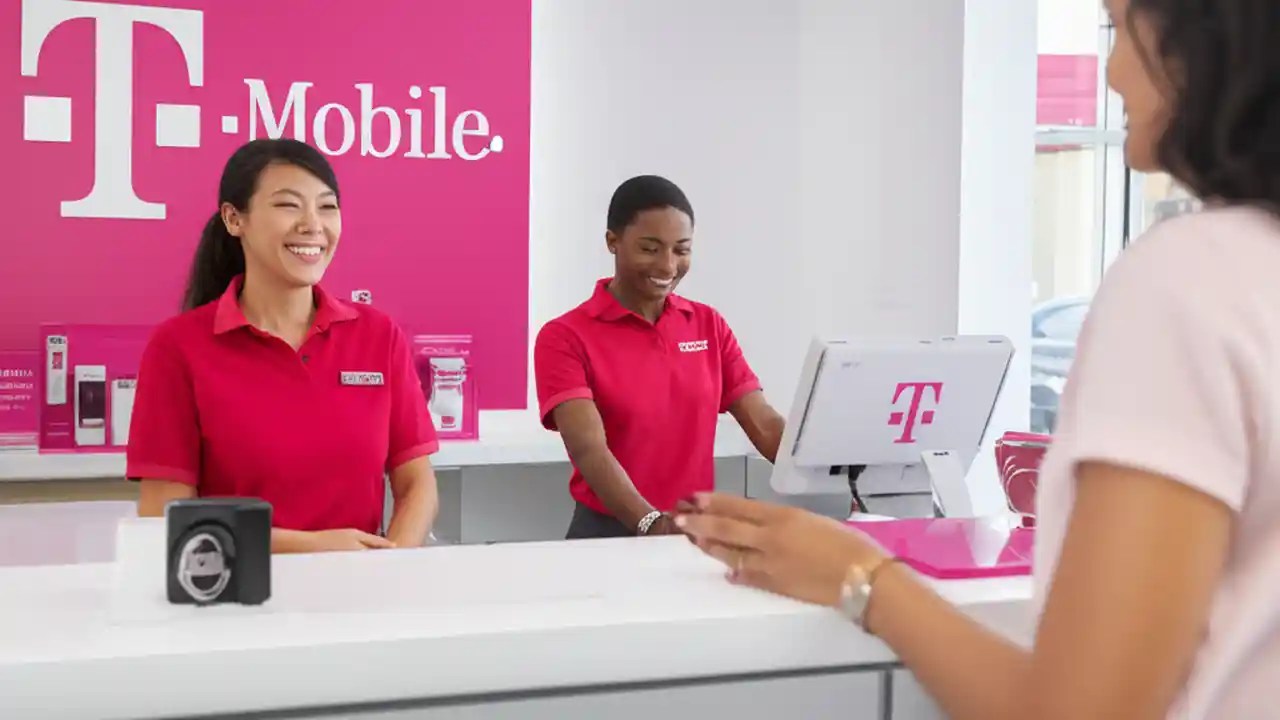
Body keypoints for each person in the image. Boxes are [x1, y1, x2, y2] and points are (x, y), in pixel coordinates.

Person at [678, 0, 1280, 716]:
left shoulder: (1191, 278)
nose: (1112, 73)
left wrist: (858, 574)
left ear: (1208, 36)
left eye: (1119, 27)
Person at [127, 138, 440, 553]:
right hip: (236, 588)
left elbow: (418, 483)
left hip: (362, 586)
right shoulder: (178, 348)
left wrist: (391, 559)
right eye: (289, 205)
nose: (313, 225)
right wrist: (315, 548)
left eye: (327, 207)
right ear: (234, 219)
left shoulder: (378, 336)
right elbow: (165, 516)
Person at [534, 175, 787, 539]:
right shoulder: (565, 337)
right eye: (650, 249)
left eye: (681, 250)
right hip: (608, 534)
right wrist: (651, 522)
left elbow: (763, 423)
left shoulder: (708, 325)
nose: (668, 266)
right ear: (612, 241)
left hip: (689, 531)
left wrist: (839, 472)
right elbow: (589, 449)